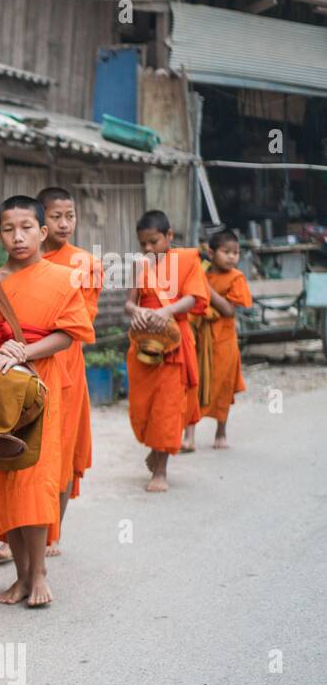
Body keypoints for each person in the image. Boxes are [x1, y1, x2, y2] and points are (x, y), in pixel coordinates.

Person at [0, 196, 93, 607]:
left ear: (42, 231)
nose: (18, 237)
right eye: (9, 229)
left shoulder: (62, 277)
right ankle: (19, 576)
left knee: (33, 480)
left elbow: (69, 333)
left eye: (27, 228)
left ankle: (38, 574)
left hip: (40, 386)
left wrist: (22, 352)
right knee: (2, 478)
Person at [0, 186, 102, 564]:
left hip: (61, 369)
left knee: (57, 453)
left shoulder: (79, 265)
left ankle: (51, 529)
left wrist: (26, 349)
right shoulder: (1, 275)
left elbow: (74, 326)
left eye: (70, 216)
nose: (64, 224)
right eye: (56, 216)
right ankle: (14, 533)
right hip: (10, 370)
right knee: (10, 449)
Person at [126, 210, 209, 492]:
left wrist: (166, 311)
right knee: (143, 405)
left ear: (169, 236)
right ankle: (154, 448)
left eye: (154, 242)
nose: (148, 249)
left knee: (167, 407)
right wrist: (137, 311)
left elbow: (194, 298)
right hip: (144, 341)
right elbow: (129, 303)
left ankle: (160, 470)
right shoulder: (140, 266)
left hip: (175, 341)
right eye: (143, 244)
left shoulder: (186, 261)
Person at [183, 229, 251, 450]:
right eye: (226, 252)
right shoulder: (202, 272)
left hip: (223, 341)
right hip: (199, 337)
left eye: (236, 252)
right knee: (192, 382)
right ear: (211, 253)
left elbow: (229, 311)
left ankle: (221, 430)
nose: (232, 257)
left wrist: (207, 289)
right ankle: (189, 436)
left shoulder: (236, 278)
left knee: (223, 385)